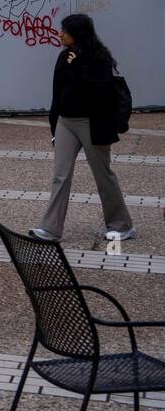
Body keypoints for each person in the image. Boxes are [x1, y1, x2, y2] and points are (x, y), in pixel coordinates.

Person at [32, 14, 135, 242]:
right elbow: (57, 92)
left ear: (77, 33)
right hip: (66, 123)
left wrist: (77, 65)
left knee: (102, 175)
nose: (60, 34)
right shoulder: (63, 57)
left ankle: (122, 225)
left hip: (92, 123)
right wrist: (54, 125)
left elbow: (98, 93)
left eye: (65, 31)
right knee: (60, 176)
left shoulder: (99, 58)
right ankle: (50, 229)